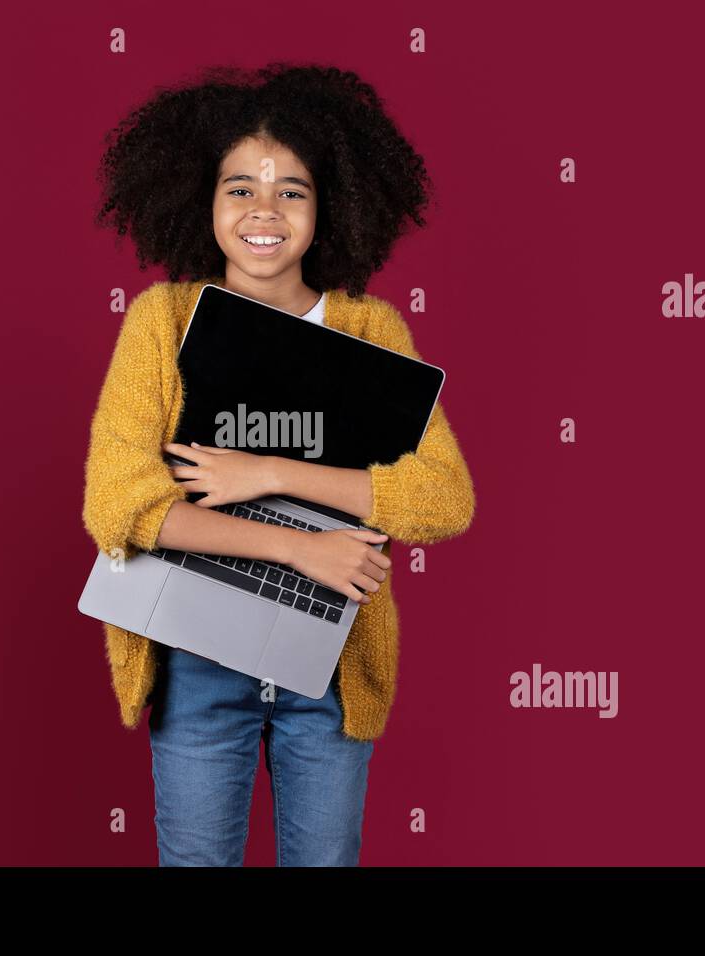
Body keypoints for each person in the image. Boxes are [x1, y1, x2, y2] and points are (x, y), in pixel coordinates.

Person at [83, 63, 475, 866]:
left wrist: (268, 474)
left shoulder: (371, 329)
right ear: (204, 201)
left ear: (329, 207)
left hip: (329, 666)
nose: (265, 210)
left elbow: (444, 499)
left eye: (292, 190)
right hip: (196, 659)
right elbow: (118, 506)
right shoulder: (162, 323)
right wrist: (301, 546)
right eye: (240, 188)